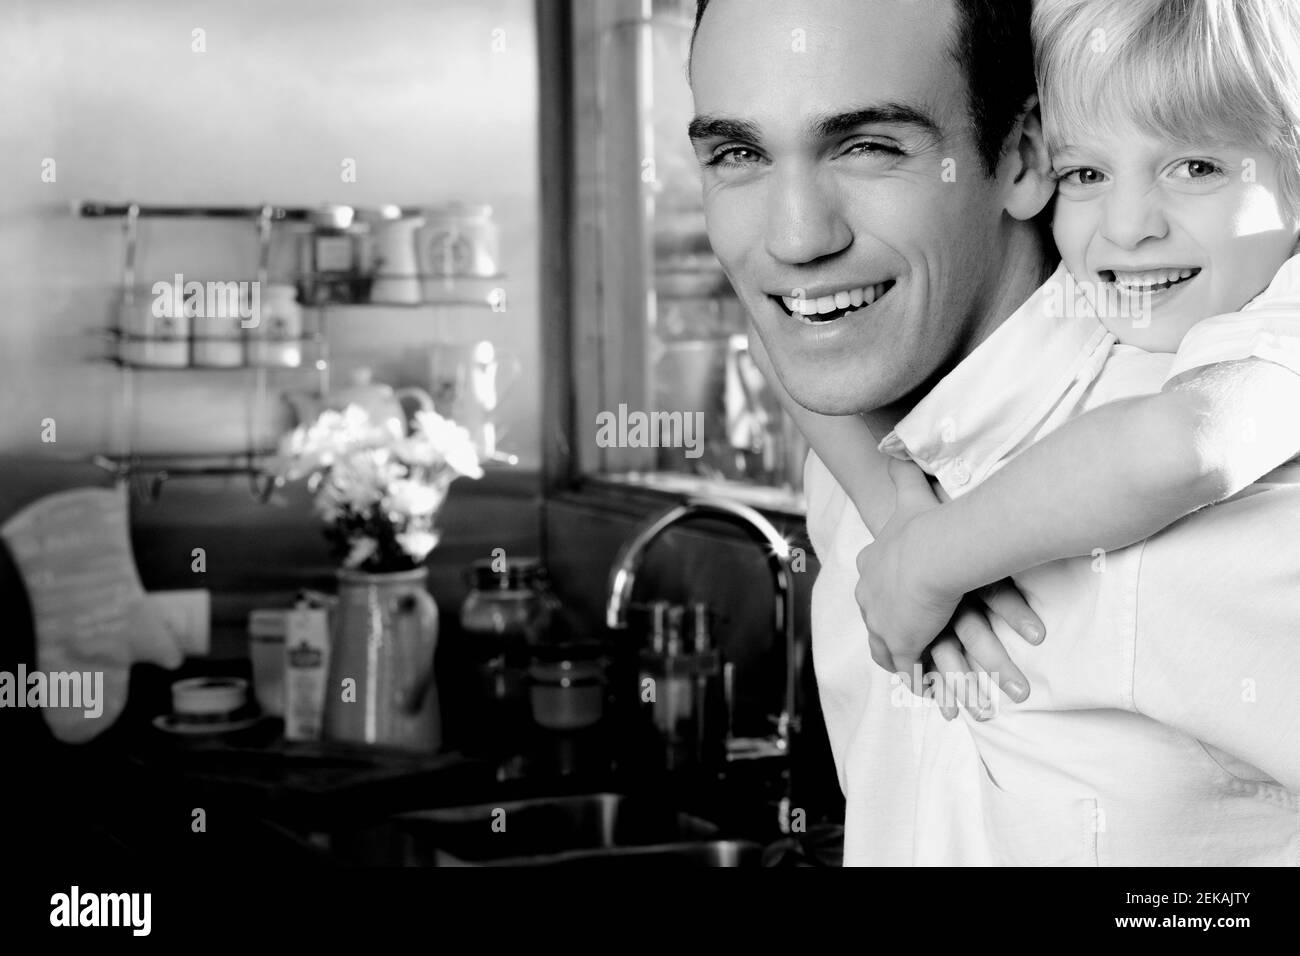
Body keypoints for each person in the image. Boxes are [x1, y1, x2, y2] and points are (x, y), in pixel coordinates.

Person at [689, 0, 1300, 864]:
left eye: (868, 146)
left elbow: (1188, 448)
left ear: (1022, 156)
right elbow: (774, 313)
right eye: (740, 154)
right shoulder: (860, 422)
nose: (793, 239)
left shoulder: (1221, 508)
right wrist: (898, 518)